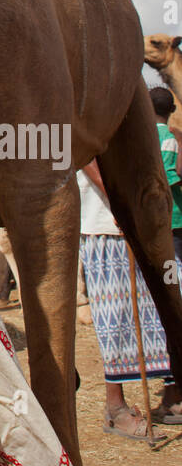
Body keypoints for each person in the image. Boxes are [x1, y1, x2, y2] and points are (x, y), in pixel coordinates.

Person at [78, 159, 182, 436]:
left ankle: (173, 397)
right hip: (106, 220)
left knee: (169, 306)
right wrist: (115, 196)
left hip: (149, 216)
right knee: (116, 315)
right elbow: (84, 149)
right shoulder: (85, 113)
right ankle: (116, 410)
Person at [150, 85, 182, 277]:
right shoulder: (171, 139)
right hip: (174, 217)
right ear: (172, 110)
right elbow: (170, 177)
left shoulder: (141, 139)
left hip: (150, 215)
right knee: (175, 269)